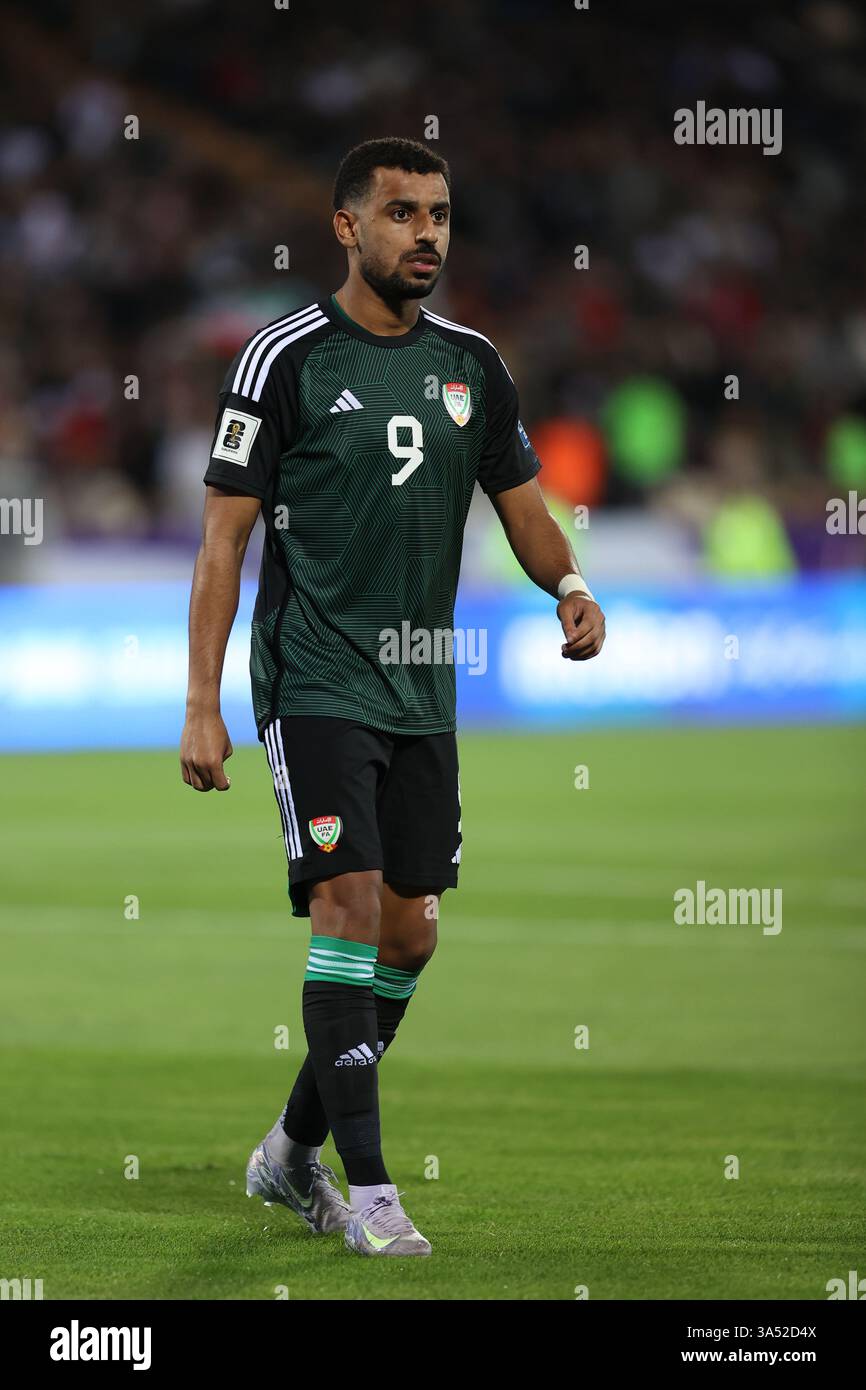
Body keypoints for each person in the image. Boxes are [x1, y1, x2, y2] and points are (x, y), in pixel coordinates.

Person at [179, 137, 605, 1257]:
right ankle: (368, 1192)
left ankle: (288, 1149)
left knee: (409, 938)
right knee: (348, 906)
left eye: (441, 215)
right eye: (403, 213)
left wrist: (565, 579)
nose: (427, 234)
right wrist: (201, 701)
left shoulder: (473, 364)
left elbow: (517, 500)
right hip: (313, 679)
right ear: (346, 228)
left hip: (422, 686)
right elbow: (222, 543)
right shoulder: (283, 357)